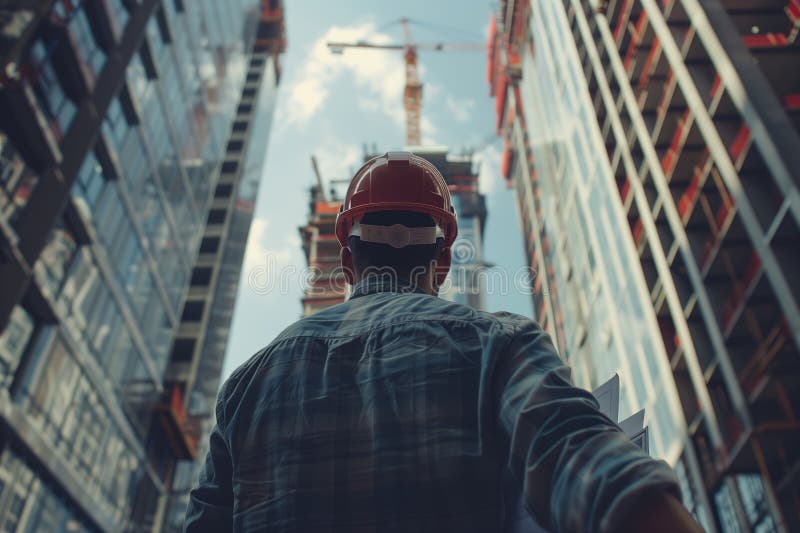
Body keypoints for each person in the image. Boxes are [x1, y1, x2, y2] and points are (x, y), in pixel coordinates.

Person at [184, 152, 703, 532]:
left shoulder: (246, 388)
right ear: (443, 261)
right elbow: (605, 481)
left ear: (347, 260)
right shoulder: (497, 345)